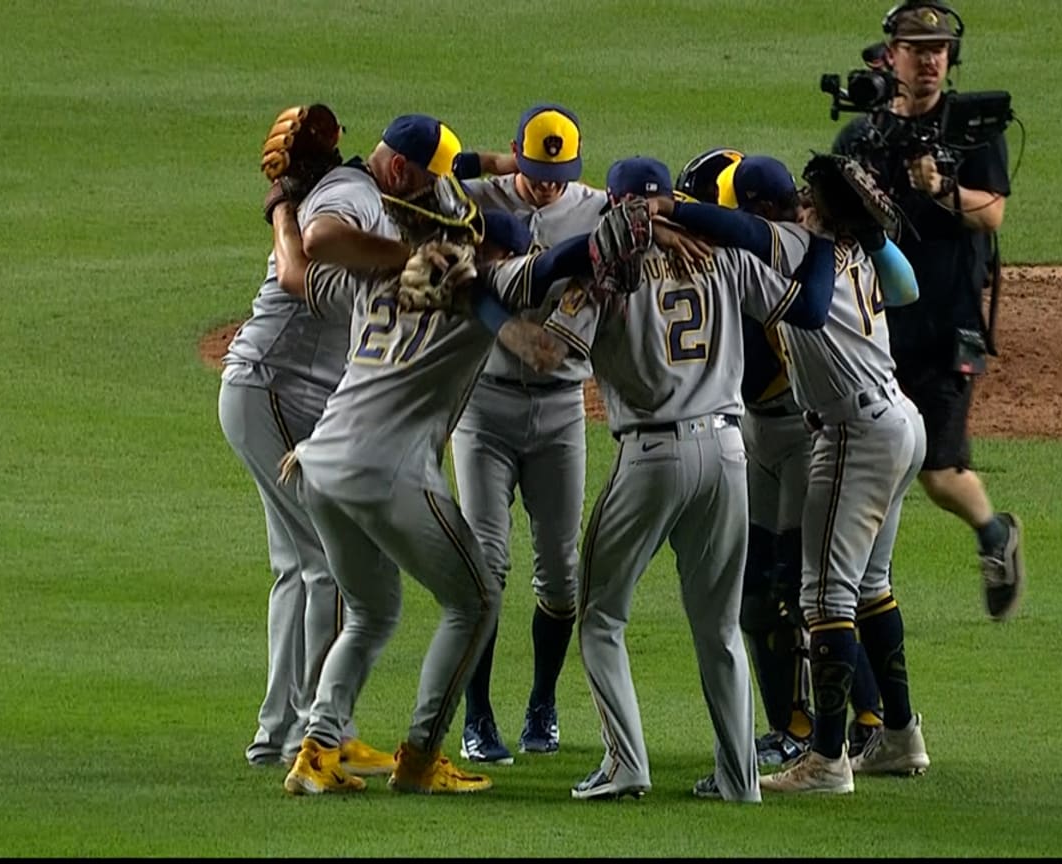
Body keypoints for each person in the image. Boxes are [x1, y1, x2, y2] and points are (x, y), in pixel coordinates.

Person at [277, 171, 595, 795]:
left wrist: (282, 206)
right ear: (494, 253)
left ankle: (316, 751)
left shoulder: (375, 278)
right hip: (386, 468)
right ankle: (421, 757)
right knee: (476, 602)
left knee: (370, 611)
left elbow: (298, 274)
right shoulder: (486, 282)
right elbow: (555, 262)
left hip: (319, 460)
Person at [538, 157, 842, 803]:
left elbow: (553, 353)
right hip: (730, 452)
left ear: (616, 204)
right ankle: (739, 781)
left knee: (599, 616)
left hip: (651, 456)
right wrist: (822, 242)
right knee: (720, 627)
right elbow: (807, 310)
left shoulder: (604, 271)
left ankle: (626, 765)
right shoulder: (723, 256)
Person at [659, 154, 898, 766]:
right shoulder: (802, 244)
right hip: (767, 434)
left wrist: (670, 211)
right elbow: (905, 286)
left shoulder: (783, 246)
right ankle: (796, 727)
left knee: (811, 590)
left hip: (808, 433)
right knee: (765, 595)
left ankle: (862, 724)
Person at [218, 106, 433, 777]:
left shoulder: (361, 189)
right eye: (424, 179)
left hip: (276, 390)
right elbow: (304, 261)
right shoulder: (350, 196)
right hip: (277, 385)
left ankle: (278, 732)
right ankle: (321, 735)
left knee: (297, 565)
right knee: (328, 564)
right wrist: (287, 212)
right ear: (398, 167)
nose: (431, 194)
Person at [833, 1, 1024, 621]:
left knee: (940, 473)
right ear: (893, 55)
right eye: (917, 50)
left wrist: (940, 188)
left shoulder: (973, 129)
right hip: (877, 327)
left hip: (952, 325)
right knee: (872, 452)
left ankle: (995, 536)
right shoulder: (863, 134)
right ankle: (854, 583)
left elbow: (992, 212)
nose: (929, 61)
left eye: (938, 51)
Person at [759, 158, 930, 795]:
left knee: (825, 596)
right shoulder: (854, 250)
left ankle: (826, 760)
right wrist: (874, 236)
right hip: (900, 420)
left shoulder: (796, 252)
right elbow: (907, 290)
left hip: (856, 433)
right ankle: (900, 734)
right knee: (870, 585)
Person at [448, 103, 609, 763]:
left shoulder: (596, 205)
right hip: (482, 408)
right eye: (536, 171)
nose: (546, 186)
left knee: (562, 575)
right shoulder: (477, 194)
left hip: (561, 407)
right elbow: (424, 168)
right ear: (519, 155)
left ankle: (542, 702)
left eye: (557, 175)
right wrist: (494, 163)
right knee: (485, 568)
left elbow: (658, 206)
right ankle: (476, 713)